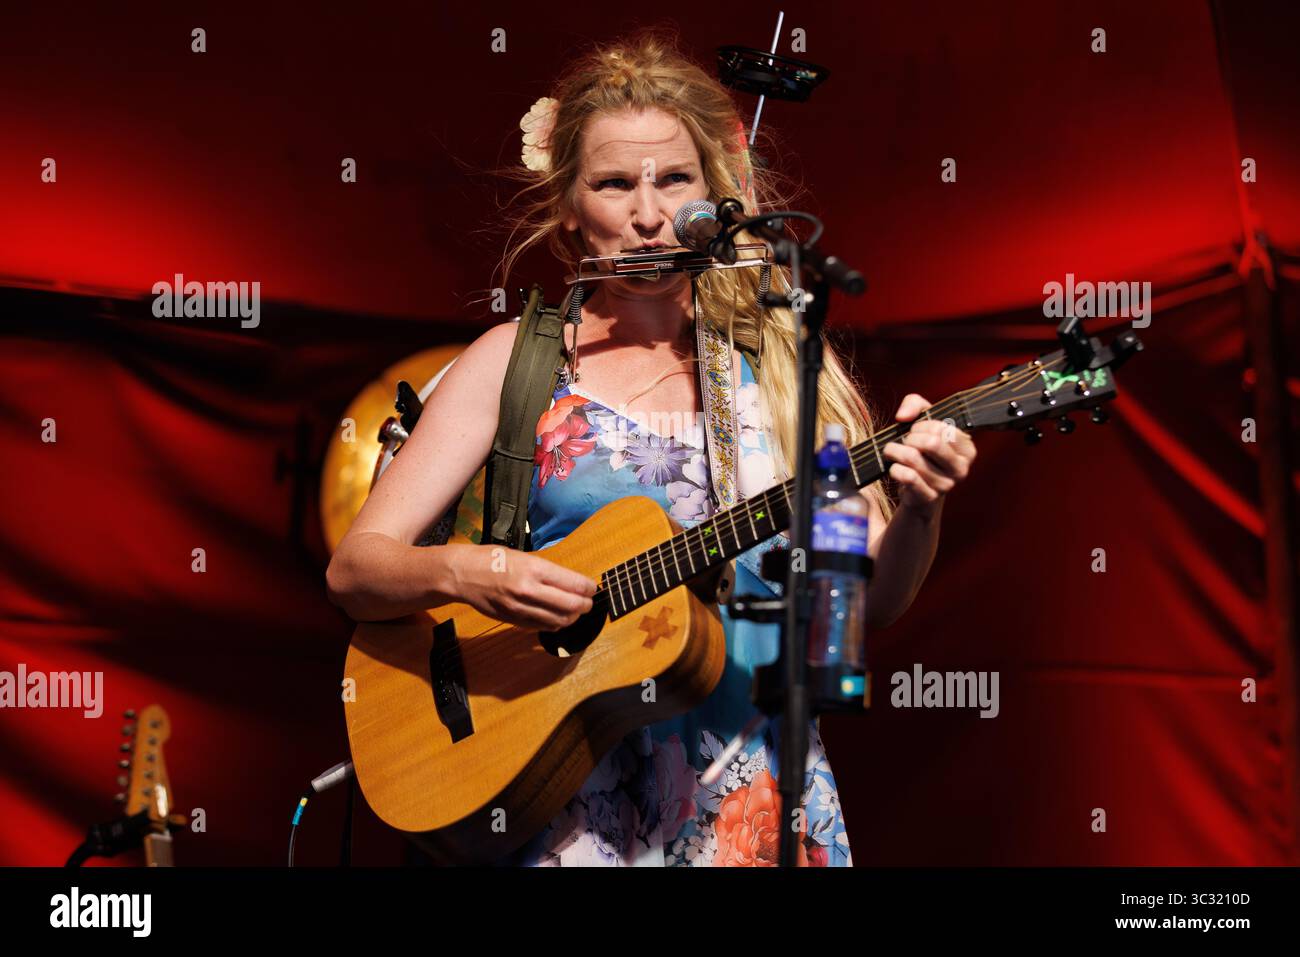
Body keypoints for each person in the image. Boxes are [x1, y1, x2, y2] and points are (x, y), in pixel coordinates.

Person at [325, 30, 977, 866]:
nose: (648, 213)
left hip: (754, 798)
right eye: (614, 183)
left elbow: (870, 599)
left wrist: (923, 507)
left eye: (674, 179)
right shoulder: (514, 364)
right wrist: (478, 572)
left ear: (717, 195)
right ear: (570, 203)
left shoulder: (776, 370)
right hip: (567, 801)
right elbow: (357, 568)